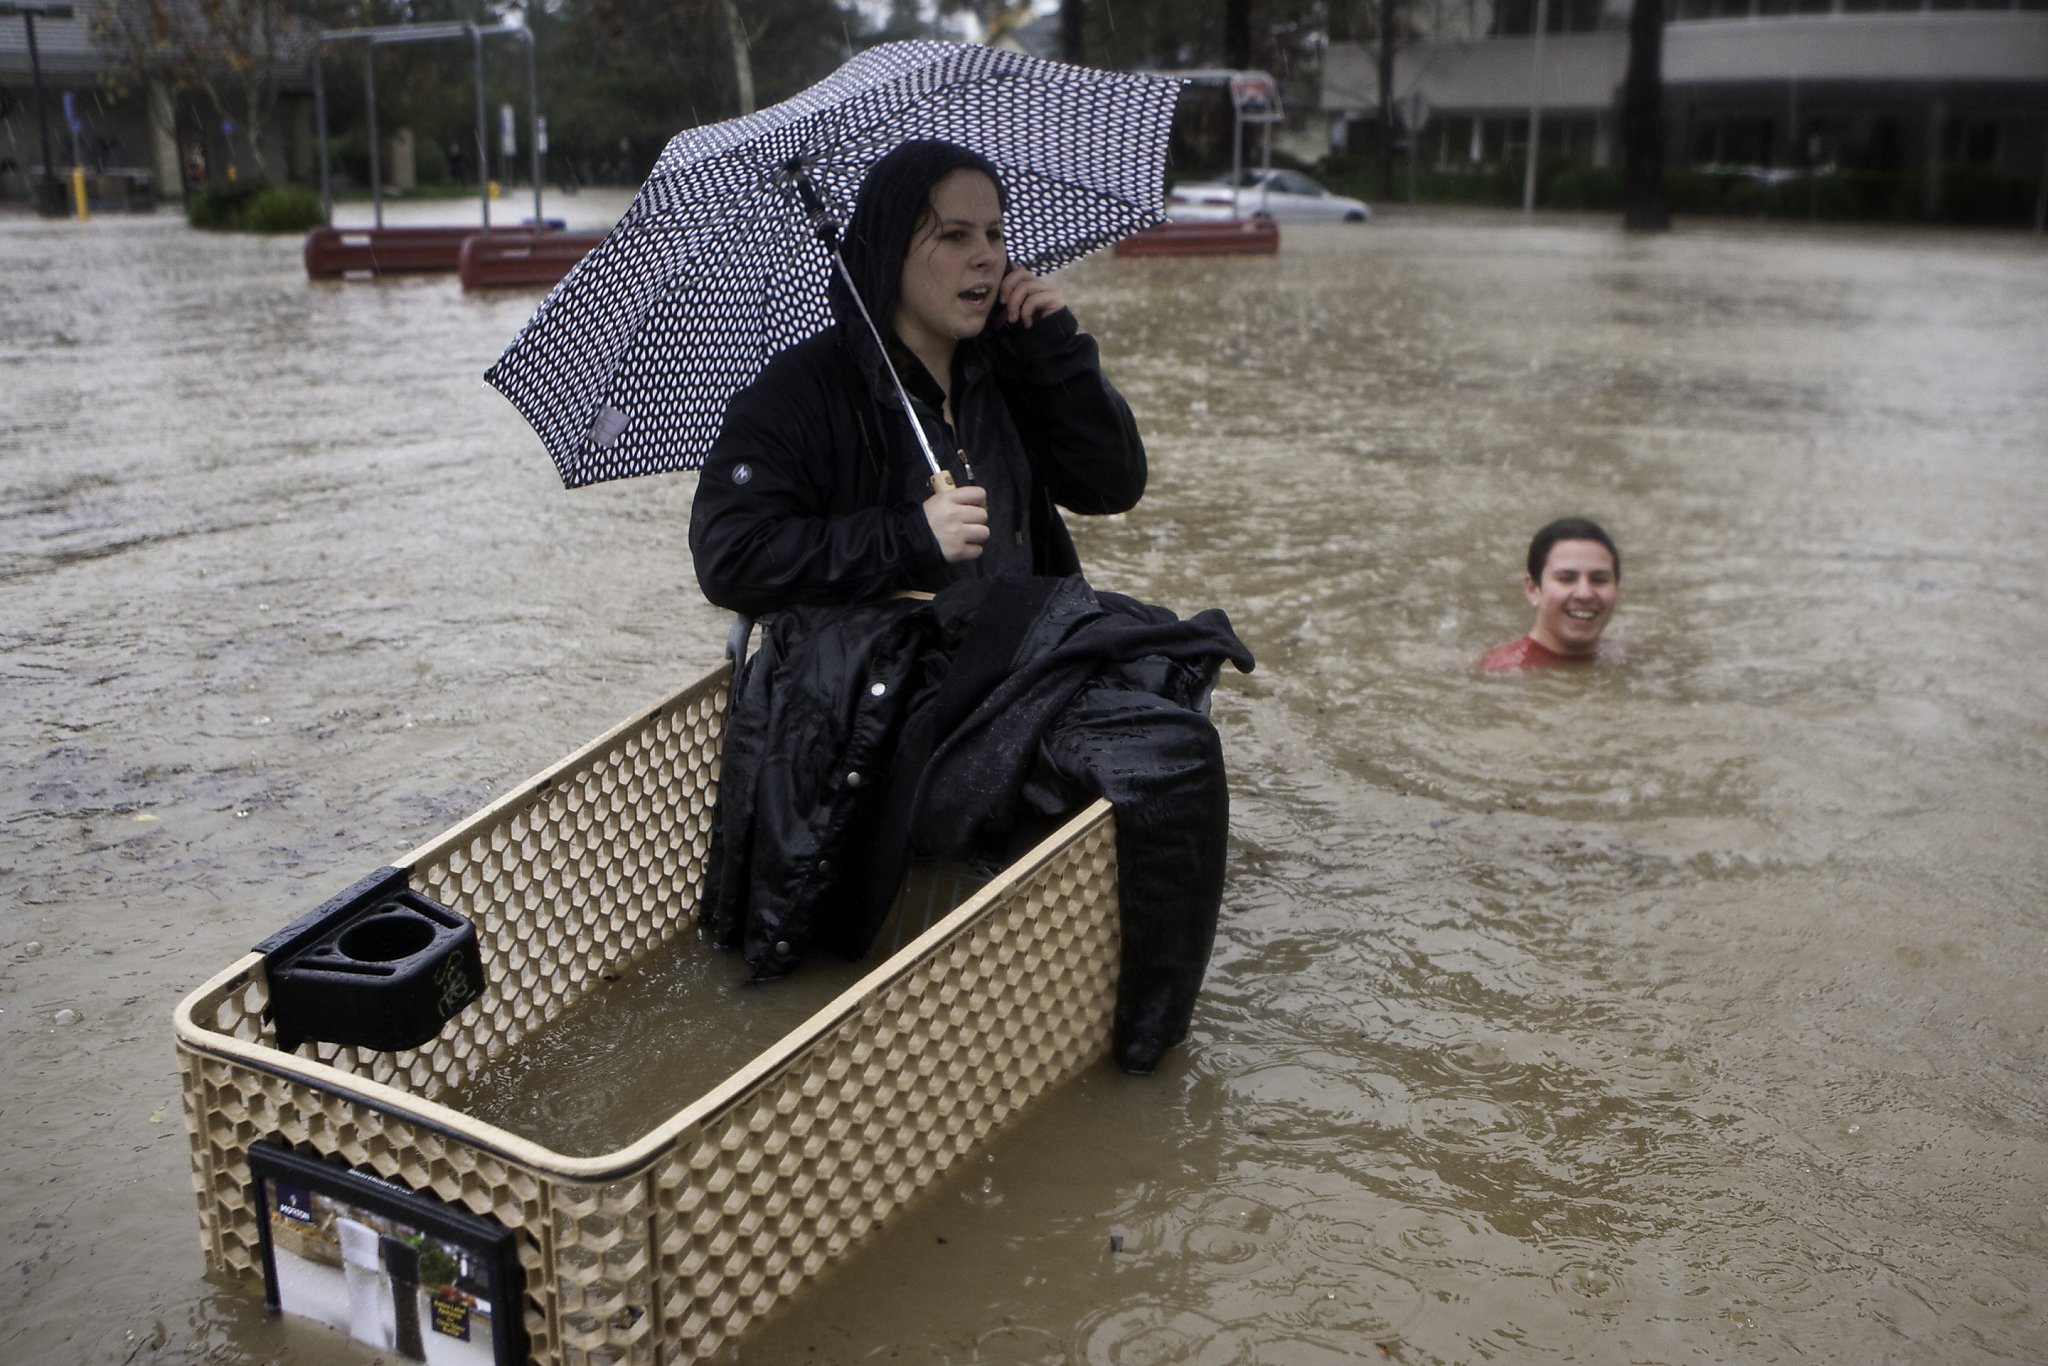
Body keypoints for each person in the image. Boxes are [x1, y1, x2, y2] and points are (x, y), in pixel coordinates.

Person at [689, 139, 1251, 1075]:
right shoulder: (804, 391)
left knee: (1179, 672)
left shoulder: (1006, 365)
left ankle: (1087, 997)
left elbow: (1114, 483)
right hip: (898, 714)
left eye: (994, 232)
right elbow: (730, 556)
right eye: (953, 235)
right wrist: (909, 537)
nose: (987, 257)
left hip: (1025, 669)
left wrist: (1060, 349)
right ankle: (1145, 1058)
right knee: (1171, 759)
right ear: (884, 253)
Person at [1478, 517, 1621, 672]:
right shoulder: (1504, 671)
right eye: (1567, 579)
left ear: (1617, 590)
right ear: (1533, 590)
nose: (1585, 593)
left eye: (1599, 580)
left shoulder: (1625, 657)